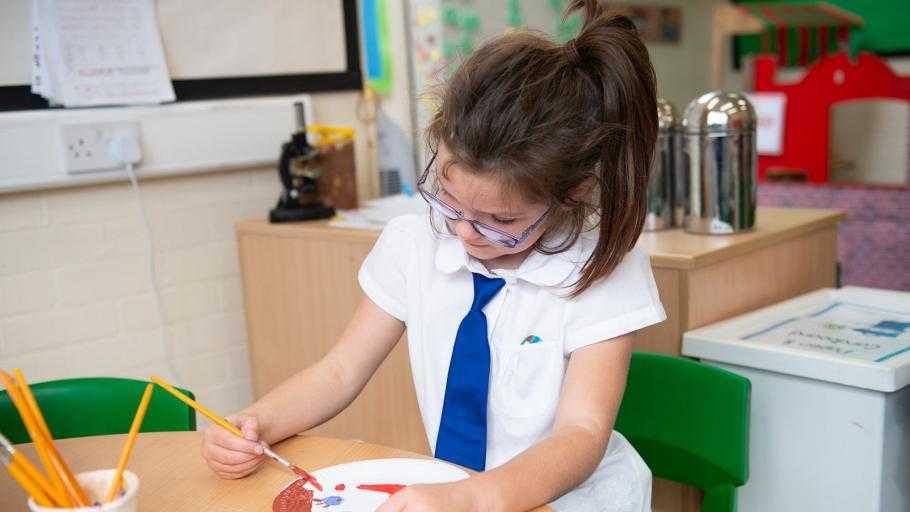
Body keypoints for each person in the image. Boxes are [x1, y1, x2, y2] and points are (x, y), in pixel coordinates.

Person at [202, 1, 664, 510]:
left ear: (573, 194)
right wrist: (259, 422)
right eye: (448, 199)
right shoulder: (413, 244)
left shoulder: (602, 271)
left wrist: (473, 498)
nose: (464, 231)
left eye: (500, 220)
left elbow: (582, 433)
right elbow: (339, 372)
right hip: (457, 492)